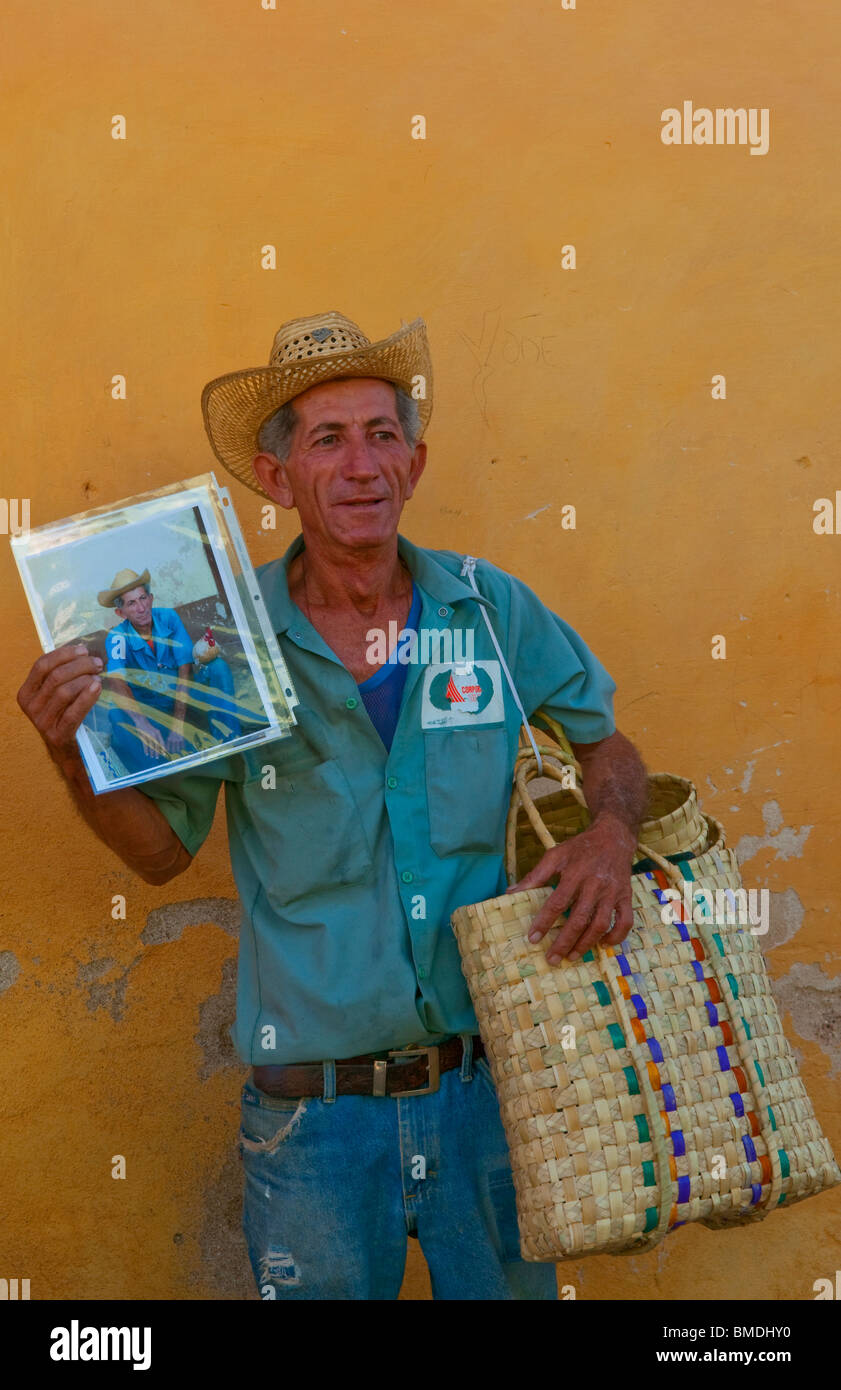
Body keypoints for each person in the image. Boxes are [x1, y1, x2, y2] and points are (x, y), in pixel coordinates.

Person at [17, 310, 649, 1300]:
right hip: (314, 1124)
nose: (362, 465)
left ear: (416, 460)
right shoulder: (218, 647)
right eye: (327, 439)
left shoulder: (486, 611)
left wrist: (611, 831)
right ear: (277, 479)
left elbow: (604, 741)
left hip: (494, 1094)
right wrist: (73, 754)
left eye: (382, 435)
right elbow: (157, 858)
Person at [98, 569, 194, 773]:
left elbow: (186, 669)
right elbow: (116, 681)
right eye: (131, 603)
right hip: (148, 708)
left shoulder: (169, 618)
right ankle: (156, 774)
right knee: (116, 714)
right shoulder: (117, 637)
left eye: (143, 598)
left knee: (218, 668)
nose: (141, 608)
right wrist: (142, 724)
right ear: (120, 613)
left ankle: (231, 742)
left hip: (179, 700)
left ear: (151, 599)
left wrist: (178, 725)